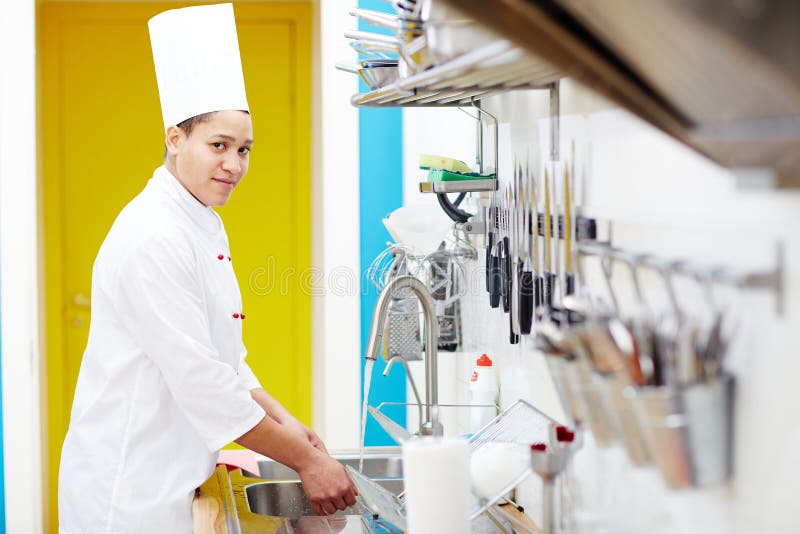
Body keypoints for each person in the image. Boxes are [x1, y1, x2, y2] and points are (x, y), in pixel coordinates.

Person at [58, 4, 356, 532]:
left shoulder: (198, 219)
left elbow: (227, 362)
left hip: (173, 478)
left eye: (244, 149)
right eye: (219, 145)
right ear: (175, 139)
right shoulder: (153, 235)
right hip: (129, 491)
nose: (235, 165)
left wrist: (294, 427)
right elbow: (204, 385)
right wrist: (306, 460)